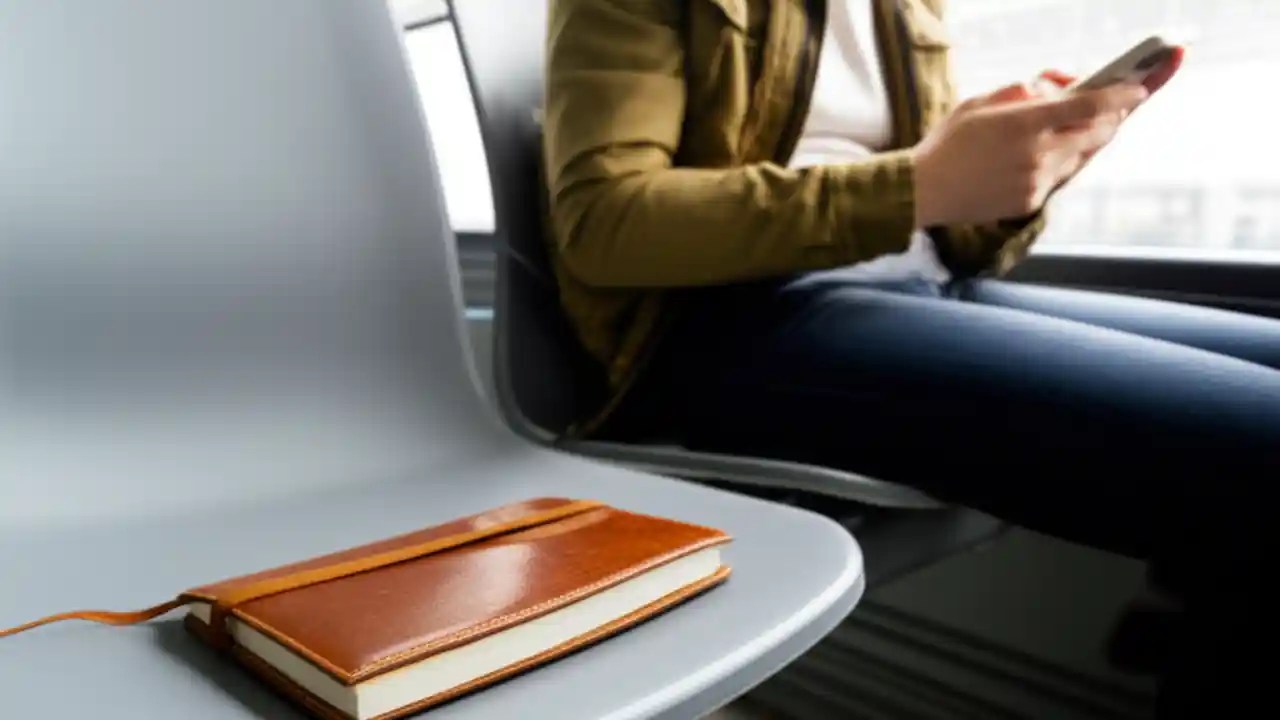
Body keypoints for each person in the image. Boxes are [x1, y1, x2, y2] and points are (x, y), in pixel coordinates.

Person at [543, 1, 1268, 713]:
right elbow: (605, 224)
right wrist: (921, 184)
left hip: (917, 280)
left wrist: (1012, 175)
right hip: (731, 314)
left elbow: (943, 225)